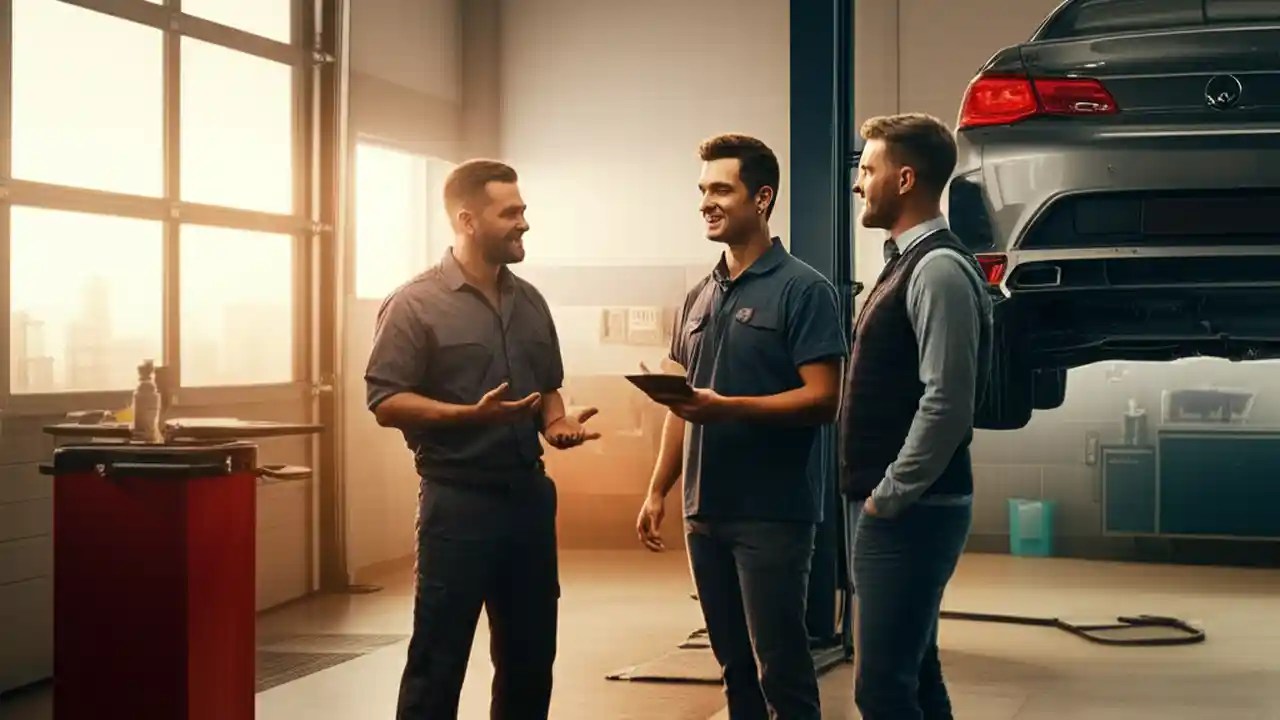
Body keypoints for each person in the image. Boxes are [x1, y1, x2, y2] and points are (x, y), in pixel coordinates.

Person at [364, 159, 599, 720]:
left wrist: (556, 424)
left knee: (529, 657)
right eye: (510, 212)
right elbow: (385, 400)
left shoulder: (531, 301)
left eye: (523, 211)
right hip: (457, 503)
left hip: (528, 500)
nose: (523, 223)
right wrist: (468, 416)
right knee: (438, 660)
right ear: (468, 221)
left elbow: (547, 388)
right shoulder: (413, 304)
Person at [636, 134, 847, 720]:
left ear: (762, 197)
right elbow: (681, 408)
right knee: (733, 672)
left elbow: (824, 399)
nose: (706, 200)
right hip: (704, 515)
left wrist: (726, 407)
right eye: (703, 189)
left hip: (772, 515)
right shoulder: (696, 298)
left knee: (781, 669)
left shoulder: (804, 290)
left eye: (721, 189)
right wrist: (658, 490)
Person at [839, 113, 994, 720]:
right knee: (917, 677)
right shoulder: (905, 263)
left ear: (904, 180)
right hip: (899, 508)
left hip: (911, 512)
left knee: (880, 689)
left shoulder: (937, 270)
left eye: (869, 170)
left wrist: (888, 496)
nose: (859, 184)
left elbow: (947, 401)